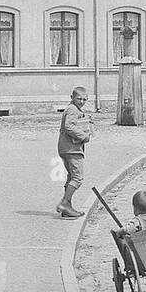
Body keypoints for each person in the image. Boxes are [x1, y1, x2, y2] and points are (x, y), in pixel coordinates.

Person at [56, 87, 94, 218]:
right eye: (79, 99)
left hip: (67, 148)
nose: (82, 101)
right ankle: (65, 203)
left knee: (71, 176)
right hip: (71, 148)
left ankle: (67, 206)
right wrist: (84, 136)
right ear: (71, 97)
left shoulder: (74, 109)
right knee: (77, 178)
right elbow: (68, 126)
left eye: (85, 99)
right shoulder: (72, 109)